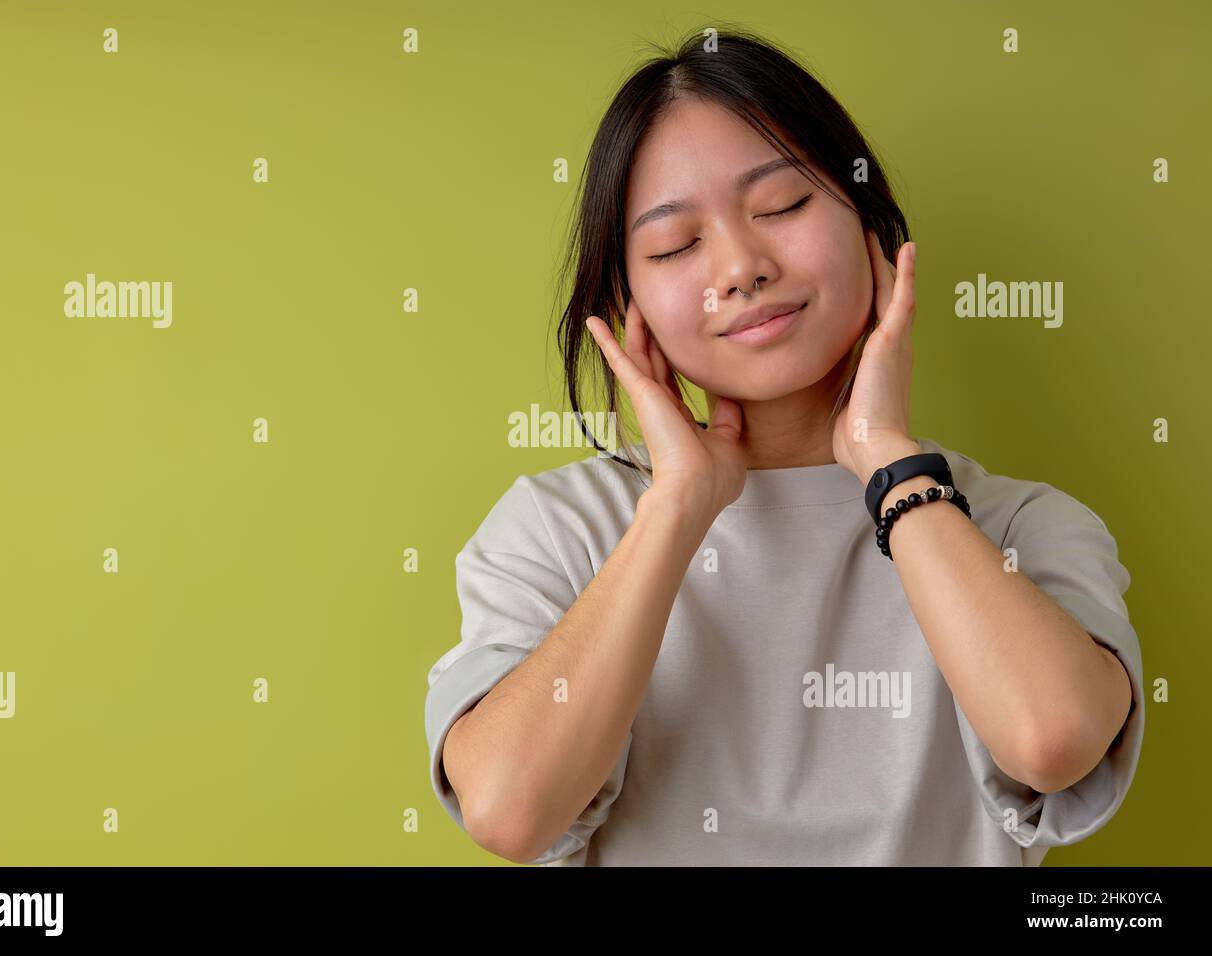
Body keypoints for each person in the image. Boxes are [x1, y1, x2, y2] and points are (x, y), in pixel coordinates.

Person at [423, 27, 1143, 866]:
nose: (738, 266)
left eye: (782, 206)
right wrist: (678, 506)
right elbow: (510, 811)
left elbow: (1052, 740)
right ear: (631, 305)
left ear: (872, 230)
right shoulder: (558, 528)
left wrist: (885, 459)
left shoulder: (1020, 525)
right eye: (676, 245)